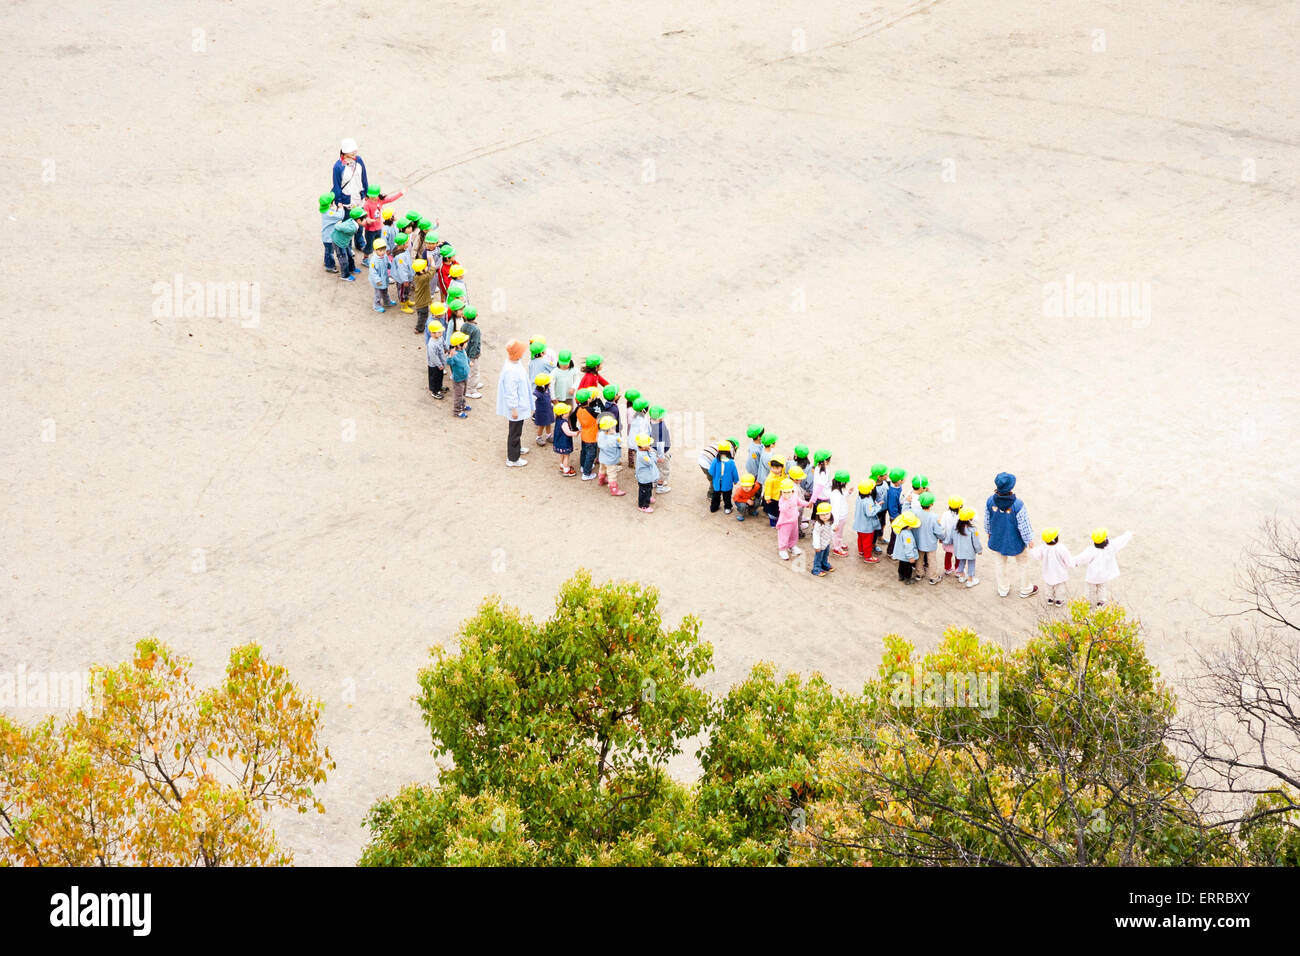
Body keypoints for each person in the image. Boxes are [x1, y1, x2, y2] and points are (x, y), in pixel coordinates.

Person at [985, 472, 1038, 598]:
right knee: (1023, 563)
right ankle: (1026, 588)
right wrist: (1029, 540)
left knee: (1000, 564)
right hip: (1015, 540)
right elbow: (1023, 525)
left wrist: (988, 532)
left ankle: (1003, 588)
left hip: (997, 538)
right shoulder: (1018, 505)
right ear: (1011, 488)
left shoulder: (990, 501)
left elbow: (987, 519)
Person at [1073, 528, 1134, 608]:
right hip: (1104, 575)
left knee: (1090, 590)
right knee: (1102, 588)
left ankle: (1089, 603)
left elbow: (1082, 557)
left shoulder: (1091, 550)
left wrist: (1074, 562)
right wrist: (1129, 534)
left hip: (1093, 576)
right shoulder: (1111, 546)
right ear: (1106, 539)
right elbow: (1120, 540)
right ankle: (1101, 602)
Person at [497, 340, 535, 466]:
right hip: (516, 407)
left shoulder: (513, 363)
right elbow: (510, 392)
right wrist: (513, 408)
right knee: (515, 431)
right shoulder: (511, 371)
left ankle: (516, 448)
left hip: (519, 404)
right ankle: (513, 458)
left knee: (517, 430)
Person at [332, 137, 369, 253]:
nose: (355, 152)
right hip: (347, 200)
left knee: (360, 223)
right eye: (352, 150)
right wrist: (339, 201)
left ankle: (360, 242)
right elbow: (337, 185)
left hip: (359, 197)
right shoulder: (338, 166)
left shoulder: (359, 160)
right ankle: (348, 247)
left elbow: (364, 177)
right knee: (348, 224)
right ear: (344, 152)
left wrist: (366, 192)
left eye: (355, 150)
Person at [1028, 527, 1076, 607]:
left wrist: (1032, 549)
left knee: (1048, 587)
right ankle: (1059, 600)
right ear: (1057, 538)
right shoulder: (1061, 548)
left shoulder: (1042, 547)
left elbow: (1037, 556)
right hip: (1060, 573)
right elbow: (1067, 559)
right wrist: (1073, 564)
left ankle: (1049, 599)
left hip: (1048, 572)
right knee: (1060, 587)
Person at [361, 184, 404, 265]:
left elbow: (390, 199)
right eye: (371, 196)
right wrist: (368, 219)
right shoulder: (367, 204)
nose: (373, 198)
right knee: (370, 245)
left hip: (379, 228)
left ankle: (379, 257)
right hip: (370, 230)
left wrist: (400, 193)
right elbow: (366, 214)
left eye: (374, 196)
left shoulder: (380, 200)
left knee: (380, 244)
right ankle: (365, 258)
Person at [946, 507, 983, 587]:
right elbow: (976, 542)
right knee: (971, 564)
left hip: (959, 550)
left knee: (961, 562)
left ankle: (962, 576)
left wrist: (947, 542)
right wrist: (979, 550)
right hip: (970, 551)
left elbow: (951, 538)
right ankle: (970, 580)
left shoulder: (955, 527)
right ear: (970, 518)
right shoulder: (973, 529)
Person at [915, 492, 944, 584]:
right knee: (932, 560)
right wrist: (942, 538)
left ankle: (919, 574)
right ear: (931, 504)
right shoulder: (934, 516)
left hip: (919, 541)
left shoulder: (916, 513)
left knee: (919, 558)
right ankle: (933, 577)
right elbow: (938, 531)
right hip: (930, 543)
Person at [853, 479, 884, 563]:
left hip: (859, 524)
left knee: (860, 539)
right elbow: (870, 513)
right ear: (869, 490)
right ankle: (868, 557)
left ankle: (861, 551)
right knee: (867, 542)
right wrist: (877, 506)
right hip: (866, 526)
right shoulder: (867, 501)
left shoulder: (859, 498)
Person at [330, 208, 364, 280]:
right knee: (343, 260)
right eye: (364, 219)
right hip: (339, 243)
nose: (366, 220)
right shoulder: (352, 228)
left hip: (345, 242)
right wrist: (336, 225)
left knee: (349, 255)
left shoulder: (352, 220)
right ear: (358, 220)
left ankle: (351, 268)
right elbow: (338, 226)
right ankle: (345, 275)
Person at [596, 415, 626, 496]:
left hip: (602, 457)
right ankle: (614, 489)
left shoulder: (600, 434)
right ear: (610, 428)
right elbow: (620, 443)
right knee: (612, 474)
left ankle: (601, 480)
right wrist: (616, 435)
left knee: (602, 469)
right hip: (611, 460)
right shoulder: (614, 438)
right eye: (613, 427)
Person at [575, 388, 601, 480]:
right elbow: (601, 414)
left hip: (584, 434)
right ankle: (586, 473)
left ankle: (583, 466)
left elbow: (572, 417)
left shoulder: (578, 408)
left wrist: (574, 428)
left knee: (584, 452)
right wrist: (598, 400)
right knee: (591, 455)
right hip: (592, 436)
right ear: (588, 399)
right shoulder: (591, 411)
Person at [708, 440, 739, 514]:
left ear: (718, 450)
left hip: (717, 483)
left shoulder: (715, 460)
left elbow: (711, 471)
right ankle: (727, 508)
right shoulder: (731, 462)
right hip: (727, 483)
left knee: (716, 495)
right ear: (729, 451)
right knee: (727, 496)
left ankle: (714, 507)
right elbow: (734, 473)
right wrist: (735, 480)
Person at [891, 511, 921, 583]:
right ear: (908, 525)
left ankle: (900, 576)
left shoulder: (899, 530)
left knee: (901, 565)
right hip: (906, 556)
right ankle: (907, 580)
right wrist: (910, 557)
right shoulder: (907, 535)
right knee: (908, 567)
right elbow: (908, 546)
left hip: (901, 554)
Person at [448, 331, 471, 419]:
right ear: (458, 345)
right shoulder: (454, 355)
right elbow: (448, 362)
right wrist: (450, 356)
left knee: (463, 393)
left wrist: (469, 362)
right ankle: (457, 411)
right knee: (458, 395)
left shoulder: (463, 351)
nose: (466, 343)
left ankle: (463, 406)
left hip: (464, 377)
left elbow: (465, 359)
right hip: (458, 379)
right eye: (465, 342)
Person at [634, 433, 659, 512]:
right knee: (644, 491)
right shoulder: (643, 456)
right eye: (648, 444)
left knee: (649, 488)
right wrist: (652, 452)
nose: (650, 445)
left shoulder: (643, 451)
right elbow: (652, 461)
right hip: (644, 478)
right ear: (643, 446)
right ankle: (643, 505)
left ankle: (648, 497)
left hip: (647, 477)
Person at [648, 404, 671, 494]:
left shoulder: (650, 422)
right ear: (660, 417)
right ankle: (660, 487)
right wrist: (661, 456)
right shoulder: (661, 428)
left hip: (651, 448)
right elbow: (661, 444)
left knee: (655, 466)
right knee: (663, 469)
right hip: (660, 451)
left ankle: (654, 482)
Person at [319, 193, 343, 272]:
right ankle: (330, 266)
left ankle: (326, 262)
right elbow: (340, 216)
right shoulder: (330, 214)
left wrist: (333, 208)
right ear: (330, 204)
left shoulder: (325, 211)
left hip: (325, 237)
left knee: (327, 251)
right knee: (330, 252)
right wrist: (340, 208)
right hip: (329, 238)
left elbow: (331, 212)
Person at [810, 502, 836, 577]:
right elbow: (816, 535)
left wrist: (833, 529)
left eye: (827, 514)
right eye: (822, 514)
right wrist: (817, 546)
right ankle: (816, 569)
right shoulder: (818, 525)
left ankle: (824, 564)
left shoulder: (829, 521)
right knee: (818, 557)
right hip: (820, 545)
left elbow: (830, 529)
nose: (825, 516)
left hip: (827, 542)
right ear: (818, 515)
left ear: (830, 513)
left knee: (825, 555)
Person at [553, 402, 578, 477]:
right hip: (564, 442)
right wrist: (576, 433)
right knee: (566, 455)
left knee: (562, 454)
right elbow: (568, 432)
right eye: (567, 412)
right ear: (562, 414)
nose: (568, 413)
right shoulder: (564, 423)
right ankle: (566, 470)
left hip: (559, 441)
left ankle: (562, 465)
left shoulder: (558, 420)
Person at [829, 470, 850, 556]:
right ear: (842, 482)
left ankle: (839, 544)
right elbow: (835, 509)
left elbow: (844, 495)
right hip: (839, 518)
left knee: (839, 533)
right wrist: (835, 523)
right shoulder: (836, 494)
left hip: (842, 516)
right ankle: (836, 548)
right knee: (837, 534)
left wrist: (849, 493)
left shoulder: (841, 490)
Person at [941, 495, 963, 576]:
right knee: (958, 555)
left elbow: (942, 527)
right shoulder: (961, 515)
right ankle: (958, 569)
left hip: (947, 539)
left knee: (948, 554)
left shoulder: (945, 514)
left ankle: (948, 568)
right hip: (959, 540)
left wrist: (941, 537)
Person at [391, 234, 414, 313]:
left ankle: (406, 300)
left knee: (406, 290)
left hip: (407, 276)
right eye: (407, 242)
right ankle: (403, 305)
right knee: (402, 291)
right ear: (402, 244)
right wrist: (405, 280)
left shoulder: (404, 250)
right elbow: (402, 269)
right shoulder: (400, 257)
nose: (408, 244)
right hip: (403, 279)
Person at [762, 455, 786, 527]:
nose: (775, 470)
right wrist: (768, 498)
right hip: (772, 498)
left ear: (782, 467)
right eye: (773, 468)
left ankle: (777, 519)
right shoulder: (770, 478)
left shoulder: (783, 475)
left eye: (777, 468)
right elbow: (768, 488)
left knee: (778, 510)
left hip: (780, 496)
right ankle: (773, 523)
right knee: (772, 511)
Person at [425, 322, 448, 398]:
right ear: (433, 333)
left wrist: (447, 349)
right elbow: (433, 357)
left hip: (441, 362)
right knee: (434, 377)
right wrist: (439, 365)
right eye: (440, 332)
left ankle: (439, 386)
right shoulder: (431, 344)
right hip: (434, 365)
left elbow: (444, 343)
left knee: (440, 376)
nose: (442, 333)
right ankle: (434, 391)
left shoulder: (440, 337)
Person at [368, 237, 392, 312]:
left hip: (384, 278)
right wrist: (377, 280)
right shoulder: (373, 260)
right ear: (375, 250)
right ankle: (376, 305)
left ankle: (387, 301)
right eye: (380, 250)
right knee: (378, 293)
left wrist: (390, 266)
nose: (383, 252)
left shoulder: (384, 256)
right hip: (378, 281)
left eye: (384, 250)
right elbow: (372, 272)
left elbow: (388, 262)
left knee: (385, 290)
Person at [626, 398, 650, 471]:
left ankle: (638, 469)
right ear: (643, 410)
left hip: (634, 442)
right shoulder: (642, 420)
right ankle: (641, 471)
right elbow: (642, 433)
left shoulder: (635, 416)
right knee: (642, 458)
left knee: (637, 457)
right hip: (640, 444)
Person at [533, 373, 555, 446]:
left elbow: (550, 398)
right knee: (541, 425)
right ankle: (538, 437)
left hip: (548, 410)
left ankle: (548, 435)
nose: (550, 383)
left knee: (548, 423)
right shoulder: (537, 393)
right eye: (548, 382)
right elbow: (532, 400)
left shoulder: (547, 389)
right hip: (541, 412)